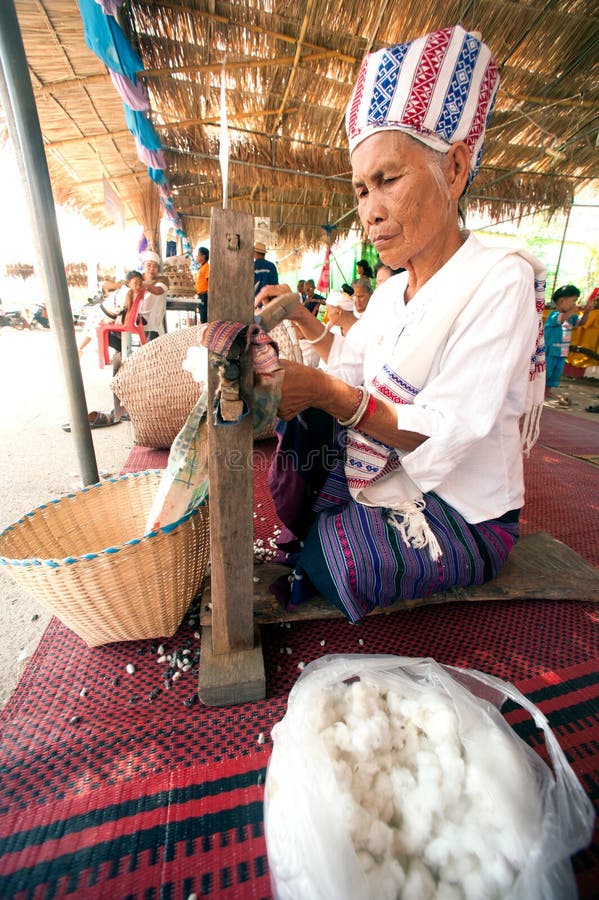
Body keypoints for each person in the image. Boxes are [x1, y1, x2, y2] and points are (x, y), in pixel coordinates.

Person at [255, 25, 544, 624]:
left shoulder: (500, 279)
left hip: (465, 506)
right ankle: (332, 523)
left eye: (388, 180)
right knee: (304, 450)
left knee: (333, 565)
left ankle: (343, 539)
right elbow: (348, 365)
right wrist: (306, 326)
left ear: (456, 168)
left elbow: (447, 428)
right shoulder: (391, 292)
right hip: (394, 470)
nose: (371, 211)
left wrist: (330, 395)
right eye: (361, 191)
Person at [544, 284, 581, 406]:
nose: (574, 304)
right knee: (546, 371)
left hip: (562, 351)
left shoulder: (571, 317)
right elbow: (561, 319)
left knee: (556, 372)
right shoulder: (554, 315)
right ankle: (540, 390)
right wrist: (572, 311)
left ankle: (547, 391)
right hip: (550, 350)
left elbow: (581, 323)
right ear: (562, 300)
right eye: (573, 301)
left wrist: (586, 312)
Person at [138, 250, 169, 340]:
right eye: (149, 265)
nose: (152, 269)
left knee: (151, 348)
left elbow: (158, 290)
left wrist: (143, 285)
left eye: (155, 266)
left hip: (152, 323)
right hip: (135, 319)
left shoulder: (162, 279)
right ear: (143, 266)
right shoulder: (137, 277)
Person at [195, 246, 210, 324]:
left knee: (203, 315)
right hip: (200, 294)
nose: (197, 257)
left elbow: (209, 280)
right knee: (201, 314)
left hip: (204, 295)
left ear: (203, 256)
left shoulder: (206, 266)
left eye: (198, 255)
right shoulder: (201, 267)